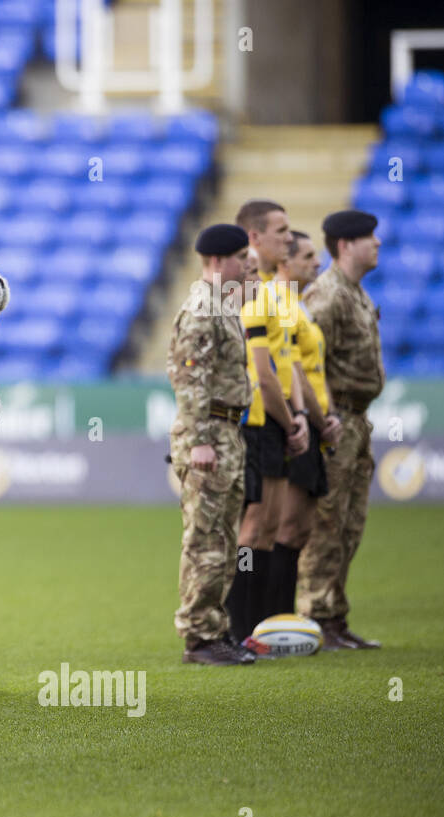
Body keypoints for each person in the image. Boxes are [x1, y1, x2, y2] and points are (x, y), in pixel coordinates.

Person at [167, 224, 255, 665]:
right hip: (208, 435)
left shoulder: (223, 304)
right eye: (242, 256)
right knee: (205, 538)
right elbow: (188, 375)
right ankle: (199, 637)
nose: (250, 262)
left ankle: (215, 629)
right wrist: (201, 439)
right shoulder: (203, 307)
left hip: (226, 431)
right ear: (218, 261)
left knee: (223, 536)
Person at [297, 210, 385, 650]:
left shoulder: (357, 294)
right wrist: (324, 417)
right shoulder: (327, 296)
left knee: (351, 522)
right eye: (370, 237)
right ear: (346, 245)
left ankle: (335, 616)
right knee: (328, 521)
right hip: (336, 422)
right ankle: (315, 615)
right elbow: (307, 360)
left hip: (357, 420)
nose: (378, 244)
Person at [226, 200, 307, 645]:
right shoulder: (251, 298)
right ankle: (241, 626)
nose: (290, 238)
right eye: (282, 230)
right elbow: (262, 371)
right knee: (252, 528)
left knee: (267, 528)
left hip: (274, 420)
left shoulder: (274, 294)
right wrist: (293, 417)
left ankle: (264, 623)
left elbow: (284, 360)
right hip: (255, 422)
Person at [271, 231, 342, 616]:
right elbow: (293, 369)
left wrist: (329, 416)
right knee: (286, 528)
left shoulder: (299, 305)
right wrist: (316, 417)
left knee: (299, 530)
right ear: (285, 263)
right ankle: (273, 619)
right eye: (308, 257)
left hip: (316, 421)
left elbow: (315, 367)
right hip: (300, 421)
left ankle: (283, 618)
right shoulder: (280, 303)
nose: (317, 263)